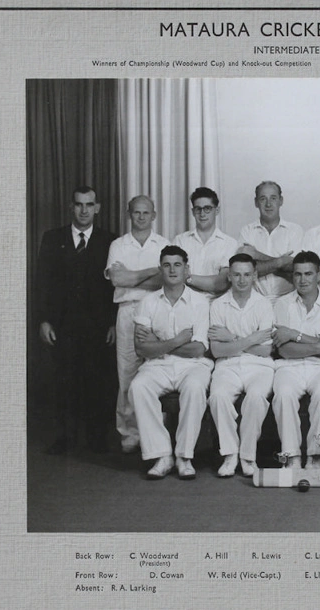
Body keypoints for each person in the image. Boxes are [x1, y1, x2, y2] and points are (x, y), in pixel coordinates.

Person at [35, 185, 116, 454]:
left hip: (97, 326)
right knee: (64, 382)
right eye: (79, 205)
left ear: (97, 207)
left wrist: (114, 323)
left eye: (89, 205)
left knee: (97, 382)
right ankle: (65, 438)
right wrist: (44, 320)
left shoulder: (110, 241)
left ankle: (96, 439)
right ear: (71, 207)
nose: (84, 210)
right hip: (63, 325)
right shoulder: (52, 238)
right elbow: (42, 283)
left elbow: (115, 288)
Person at [129, 245, 213, 480]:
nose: (172, 270)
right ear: (160, 269)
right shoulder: (148, 301)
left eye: (178, 265)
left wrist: (159, 342)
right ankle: (162, 455)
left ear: (187, 269)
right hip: (158, 365)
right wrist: (175, 341)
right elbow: (140, 347)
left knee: (195, 388)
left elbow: (198, 349)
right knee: (139, 386)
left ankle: (184, 456)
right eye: (167, 265)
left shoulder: (200, 302)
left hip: (193, 366)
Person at [105, 195, 170, 454]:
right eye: (136, 213)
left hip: (158, 310)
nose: (141, 217)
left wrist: (132, 277)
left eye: (146, 213)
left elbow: (165, 280)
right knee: (128, 372)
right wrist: (148, 272)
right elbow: (117, 279)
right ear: (129, 215)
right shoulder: (118, 245)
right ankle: (129, 431)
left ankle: (157, 430)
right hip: (128, 311)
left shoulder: (164, 244)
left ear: (154, 215)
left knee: (156, 370)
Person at [208, 254, 275, 478]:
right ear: (229, 275)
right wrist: (250, 339)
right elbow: (217, 351)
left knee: (256, 397)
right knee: (217, 396)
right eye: (236, 274)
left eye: (247, 274)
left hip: (260, 366)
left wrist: (232, 338)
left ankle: (248, 455)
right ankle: (230, 454)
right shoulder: (218, 305)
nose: (242, 280)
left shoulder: (264, 304)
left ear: (255, 276)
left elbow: (265, 350)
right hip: (227, 366)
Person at [271, 251, 320, 470]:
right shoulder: (282, 304)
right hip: (289, 367)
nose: (303, 279)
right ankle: (291, 456)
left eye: (308, 274)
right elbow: (285, 351)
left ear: (319, 275)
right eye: (298, 274)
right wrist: (315, 345)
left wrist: (294, 334)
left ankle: (315, 456)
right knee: (283, 394)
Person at [237, 181, 304, 304]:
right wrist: (281, 261)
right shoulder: (247, 231)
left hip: (289, 301)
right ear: (256, 202)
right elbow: (243, 271)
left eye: (273, 198)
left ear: (281, 200)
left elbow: (295, 269)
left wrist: (256, 256)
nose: (268, 204)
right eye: (263, 199)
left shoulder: (295, 230)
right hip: (254, 301)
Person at [173, 186, 239, 301]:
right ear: (193, 212)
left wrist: (187, 278)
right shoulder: (180, 241)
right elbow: (172, 277)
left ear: (217, 210)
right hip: (186, 304)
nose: (202, 214)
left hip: (218, 306)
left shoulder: (230, 243)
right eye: (198, 209)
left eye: (207, 208)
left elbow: (222, 282)